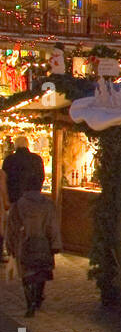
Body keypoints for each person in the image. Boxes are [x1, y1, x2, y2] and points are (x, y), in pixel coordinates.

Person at [5, 184, 59, 317]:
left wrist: (10, 247)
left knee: (26, 275)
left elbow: (11, 228)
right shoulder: (48, 204)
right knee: (41, 271)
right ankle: (38, 298)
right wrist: (55, 244)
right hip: (43, 243)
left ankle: (30, 304)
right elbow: (53, 226)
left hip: (25, 244)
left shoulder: (18, 206)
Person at [2, 136, 44, 203]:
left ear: (16, 145)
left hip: (14, 198)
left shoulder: (9, 160)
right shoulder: (37, 159)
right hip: (33, 198)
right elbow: (41, 177)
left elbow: (4, 180)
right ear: (28, 145)